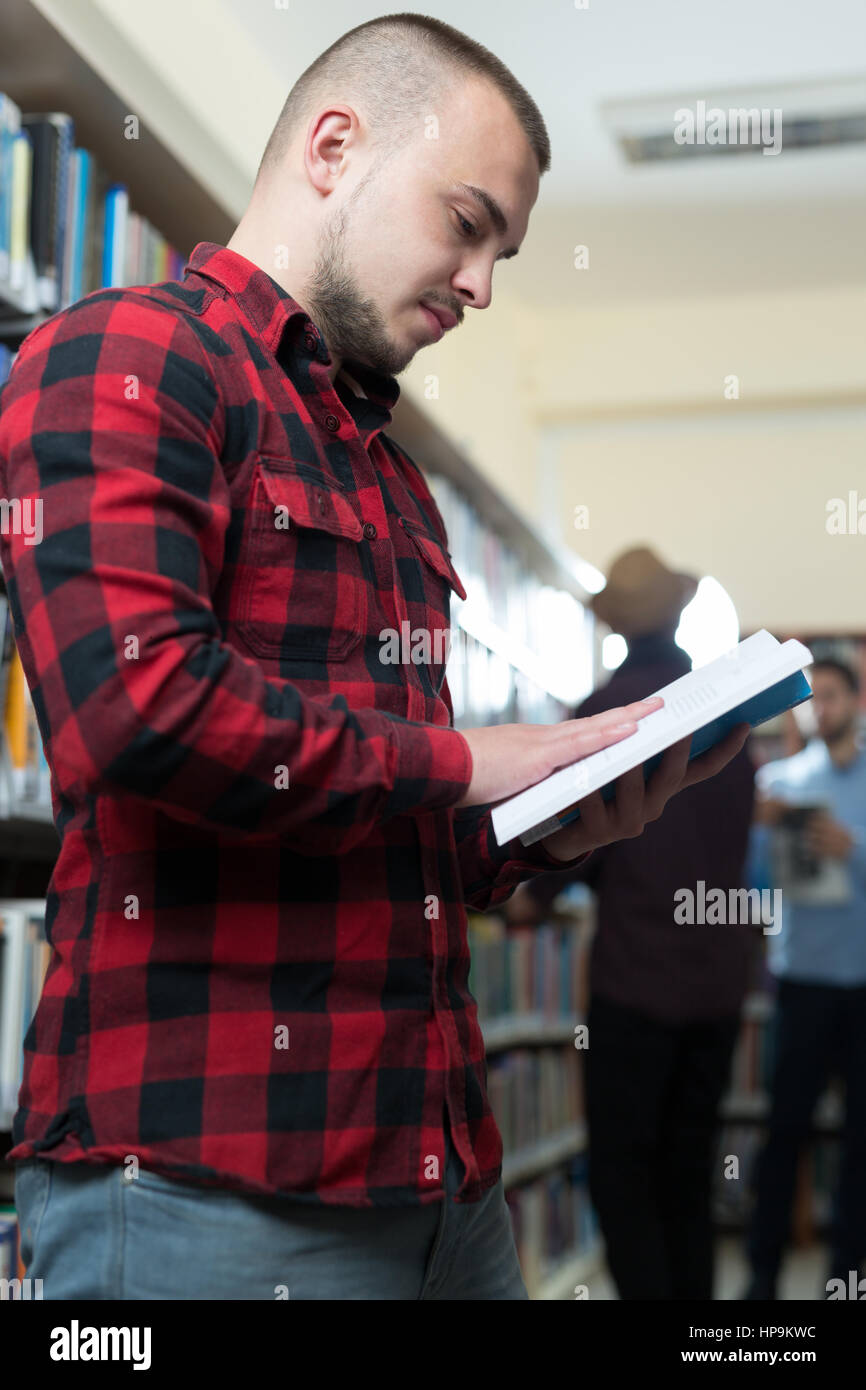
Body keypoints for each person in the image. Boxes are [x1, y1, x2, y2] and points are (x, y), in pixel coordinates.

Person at [0, 15, 747, 1300]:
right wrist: (466, 761)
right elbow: (136, 708)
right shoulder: (128, 357)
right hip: (207, 1185)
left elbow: (399, 823)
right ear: (334, 148)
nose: (481, 284)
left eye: (503, 250)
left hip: (442, 1180)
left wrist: (555, 821)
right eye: (466, 223)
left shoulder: (391, 475)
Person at [506, 547, 757, 1299]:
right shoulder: (729, 715)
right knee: (688, 1178)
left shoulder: (602, 719)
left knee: (624, 1177)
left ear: (617, 627)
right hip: (718, 988)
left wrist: (525, 903)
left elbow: (560, 849)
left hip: (635, 985)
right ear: (678, 616)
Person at [743, 658, 866, 1301]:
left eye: (835, 695)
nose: (823, 708)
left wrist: (857, 847)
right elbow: (753, 889)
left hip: (863, 987)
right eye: (813, 698)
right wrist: (760, 835)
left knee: (861, 1143)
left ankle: (847, 1279)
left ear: (857, 700)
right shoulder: (780, 782)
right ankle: (761, 1278)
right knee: (783, 1131)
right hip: (803, 982)